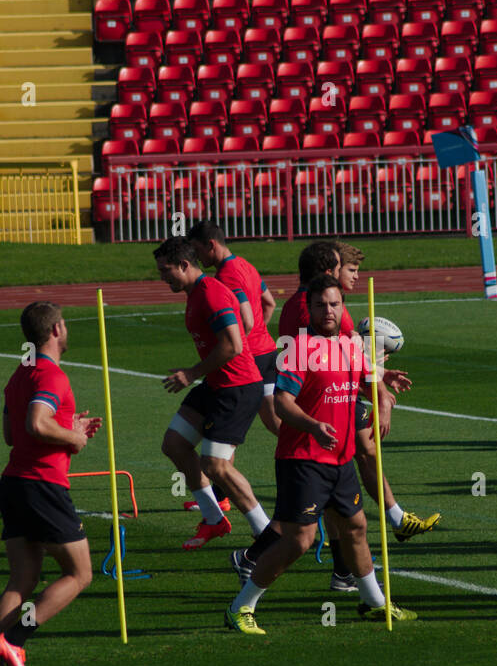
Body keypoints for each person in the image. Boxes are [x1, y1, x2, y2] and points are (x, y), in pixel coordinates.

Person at [224, 275, 417, 635]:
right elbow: (283, 402)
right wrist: (312, 425)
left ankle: (374, 604)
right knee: (300, 540)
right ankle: (241, 607)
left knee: (357, 527)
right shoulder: (299, 349)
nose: (328, 311)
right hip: (304, 459)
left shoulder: (350, 345)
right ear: (308, 309)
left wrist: (384, 383)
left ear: (342, 307)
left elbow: (364, 375)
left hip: (341, 461)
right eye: (320, 305)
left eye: (334, 304)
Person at [0, 302, 100, 666]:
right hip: (43, 486)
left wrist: (67, 425)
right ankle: (14, 642)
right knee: (80, 573)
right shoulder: (51, 374)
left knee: (22, 578)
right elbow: (35, 423)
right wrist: (75, 437)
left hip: (14, 483)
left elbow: (13, 434)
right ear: (56, 330)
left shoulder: (20, 374)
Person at [154, 237, 268, 550]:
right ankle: (214, 519)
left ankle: (267, 532)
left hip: (238, 388)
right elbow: (242, 323)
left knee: (216, 465)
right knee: (175, 444)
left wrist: (192, 373)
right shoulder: (195, 293)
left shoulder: (211, 293)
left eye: (166, 270)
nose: (163, 277)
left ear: (184, 265)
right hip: (217, 384)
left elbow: (233, 344)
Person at [333, 242, 438, 576]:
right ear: (334, 269)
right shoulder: (325, 305)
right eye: (351, 270)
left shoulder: (334, 303)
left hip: (340, 392)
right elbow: (340, 356)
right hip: (327, 397)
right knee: (309, 513)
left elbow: (351, 358)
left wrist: (378, 374)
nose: (357, 276)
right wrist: (381, 397)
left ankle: (350, 565)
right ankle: (255, 554)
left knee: (363, 455)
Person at [187, 219, 280, 438]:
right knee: (274, 420)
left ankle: (222, 467)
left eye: (198, 250)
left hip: (252, 358)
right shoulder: (246, 265)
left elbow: (246, 320)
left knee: (227, 423)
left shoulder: (225, 276)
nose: (197, 258)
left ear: (211, 245)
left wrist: (240, 344)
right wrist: (258, 333)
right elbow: (270, 303)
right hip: (268, 351)